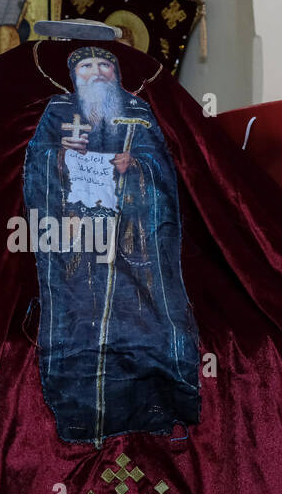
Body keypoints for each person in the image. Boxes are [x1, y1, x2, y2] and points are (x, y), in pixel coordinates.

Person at [23, 46, 199, 444]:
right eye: (87, 66)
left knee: (141, 322)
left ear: (116, 73)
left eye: (105, 65)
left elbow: (165, 174)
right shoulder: (56, 111)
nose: (97, 72)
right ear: (74, 75)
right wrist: (59, 162)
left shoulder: (137, 111)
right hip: (74, 243)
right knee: (76, 325)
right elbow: (35, 163)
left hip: (134, 245)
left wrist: (135, 167)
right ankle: (77, 419)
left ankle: (150, 414)